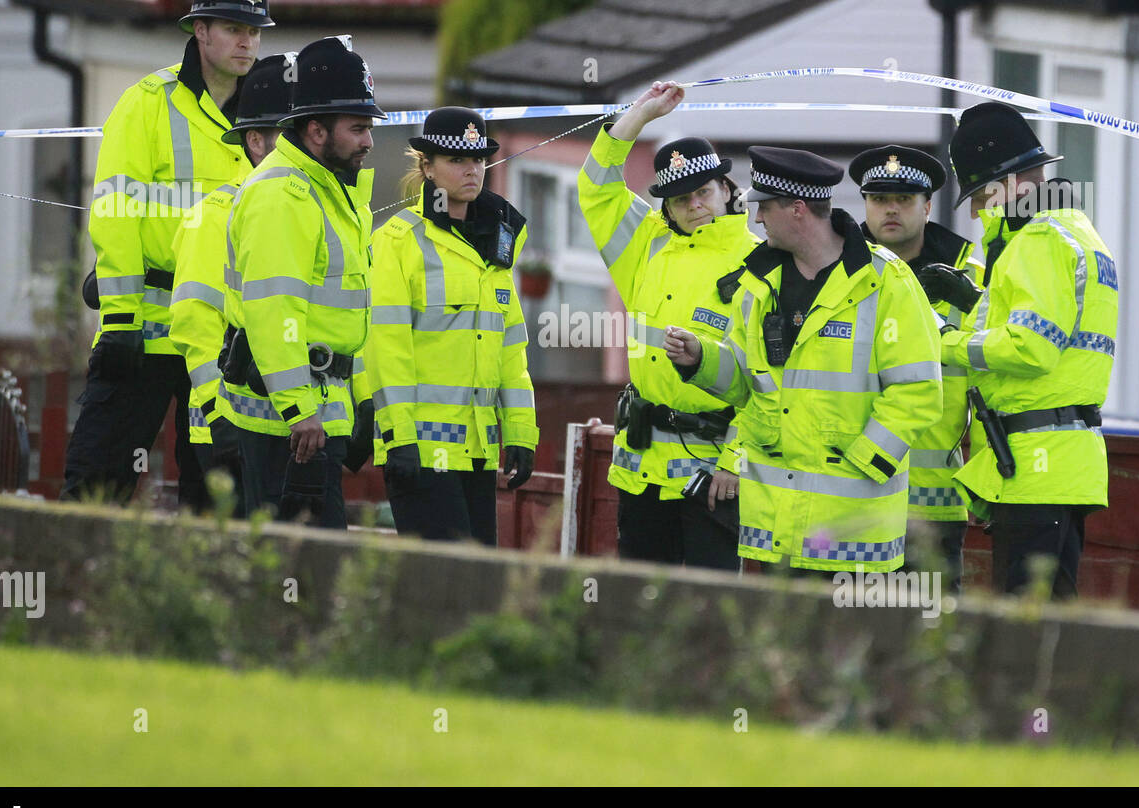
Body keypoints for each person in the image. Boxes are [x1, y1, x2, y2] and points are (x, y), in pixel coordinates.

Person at [663, 146, 942, 575]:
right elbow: (745, 383)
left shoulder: (886, 282)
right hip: (777, 526)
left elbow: (918, 390)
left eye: (765, 207)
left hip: (852, 530)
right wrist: (699, 358)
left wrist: (864, 461)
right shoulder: (758, 283)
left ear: (797, 209)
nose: (757, 218)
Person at [62, 0, 272, 507]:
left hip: (223, 339)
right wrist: (120, 320)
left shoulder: (273, 121)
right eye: (234, 28)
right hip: (146, 329)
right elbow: (115, 214)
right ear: (200, 30)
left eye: (254, 30)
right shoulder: (147, 105)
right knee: (97, 483)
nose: (247, 42)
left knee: (219, 496)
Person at [927, 102, 1118, 598]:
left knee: (1023, 624)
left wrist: (944, 342)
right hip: (1063, 460)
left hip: (1035, 463)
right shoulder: (1075, 231)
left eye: (979, 195)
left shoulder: (1037, 240)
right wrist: (972, 300)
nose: (975, 211)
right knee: (1048, 615)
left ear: (1008, 183)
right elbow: (1042, 326)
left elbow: (1031, 348)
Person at [576, 80, 759, 569]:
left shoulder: (761, 263)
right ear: (666, 207)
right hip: (642, 467)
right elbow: (596, 186)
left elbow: (770, 381)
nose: (694, 205)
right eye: (680, 199)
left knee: (707, 604)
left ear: (726, 189)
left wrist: (736, 461)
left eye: (703, 192)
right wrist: (640, 115)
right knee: (639, 599)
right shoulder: (646, 244)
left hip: (714, 474)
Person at [218, 36, 382, 528]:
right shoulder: (284, 195)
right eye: (358, 128)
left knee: (305, 562)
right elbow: (274, 311)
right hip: (289, 428)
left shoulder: (324, 190)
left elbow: (339, 317)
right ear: (315, 130)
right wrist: (298, 409)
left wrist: (358, 400)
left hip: (311, 419)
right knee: (299, 563)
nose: (369, 141)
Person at [361, 107, 537, 548]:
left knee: (478, 579)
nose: (471, 169)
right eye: (456, 160)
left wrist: (520, 432)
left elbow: (511, 351)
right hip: (419, 451)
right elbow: (385, 347)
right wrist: (399, 435)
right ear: (427, 166)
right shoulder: (397, 241)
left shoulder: (495, 249)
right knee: (442, 580)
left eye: (478, 159)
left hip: (478, 452)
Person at [850, 145, 982, 591]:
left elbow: (997, 378)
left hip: (933, 499)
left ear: (927, 207)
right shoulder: (833, 272)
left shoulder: (970, 279)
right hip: (850, 491)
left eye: (904, 199)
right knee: (850, 623)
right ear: (864, 205)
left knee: (931, 624)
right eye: (879, 198)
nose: (891, 209)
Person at [168, 52, 293, 515]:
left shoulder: (305, 214)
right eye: (291, 134)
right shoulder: (216, 215)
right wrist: (219, 416)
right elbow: (195, 320)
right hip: (227, 432)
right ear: (255, 141)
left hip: (289, 428)